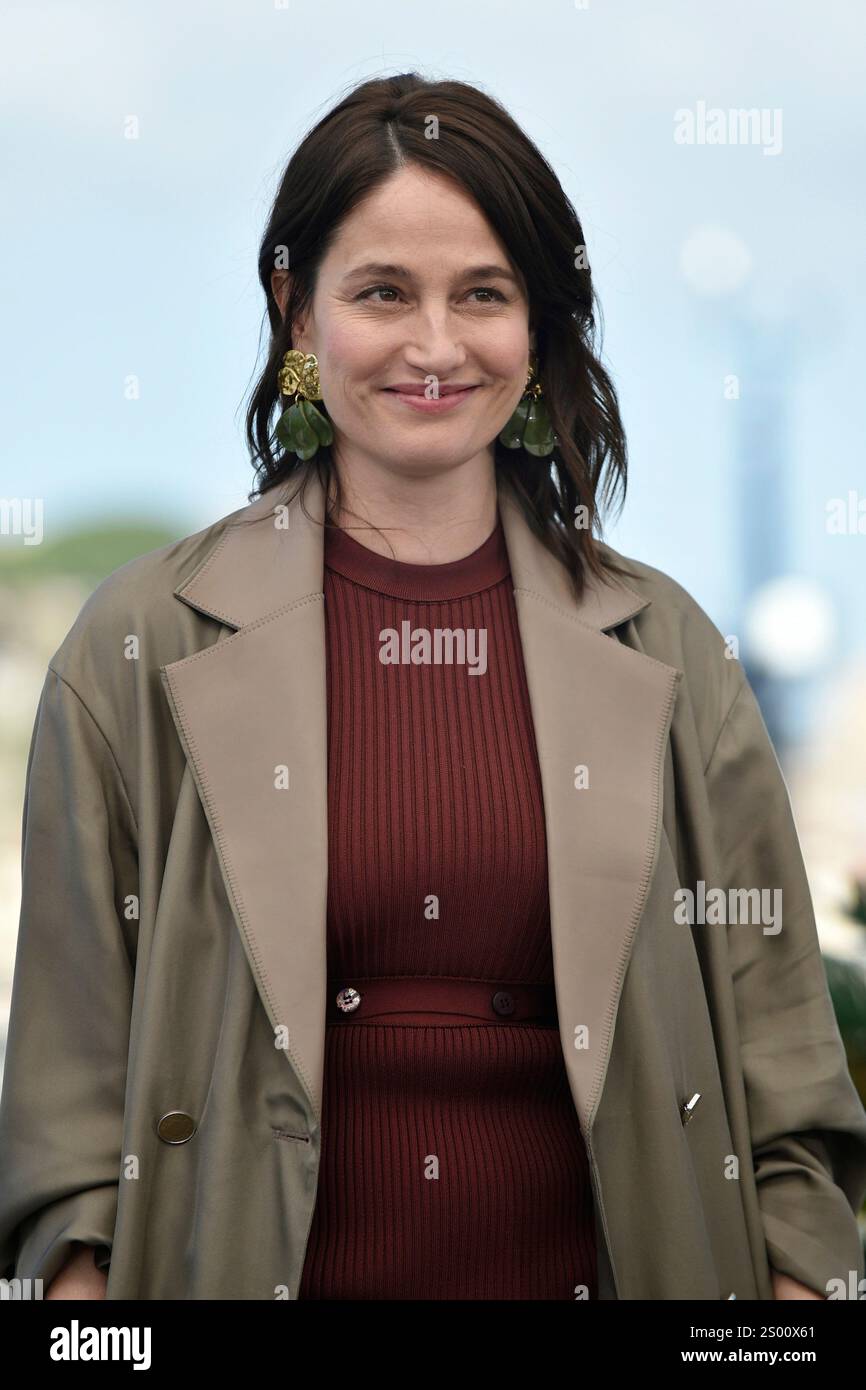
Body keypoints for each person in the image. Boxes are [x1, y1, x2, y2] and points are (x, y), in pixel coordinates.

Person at [2, 72, 865, 1301]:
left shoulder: (671, 650)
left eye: (482, 294)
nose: (435, 346)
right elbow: (63, 1128)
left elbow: (788, 1100)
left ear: (539, 325)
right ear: (297, 313)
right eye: (382, 293)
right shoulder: (136, 645)